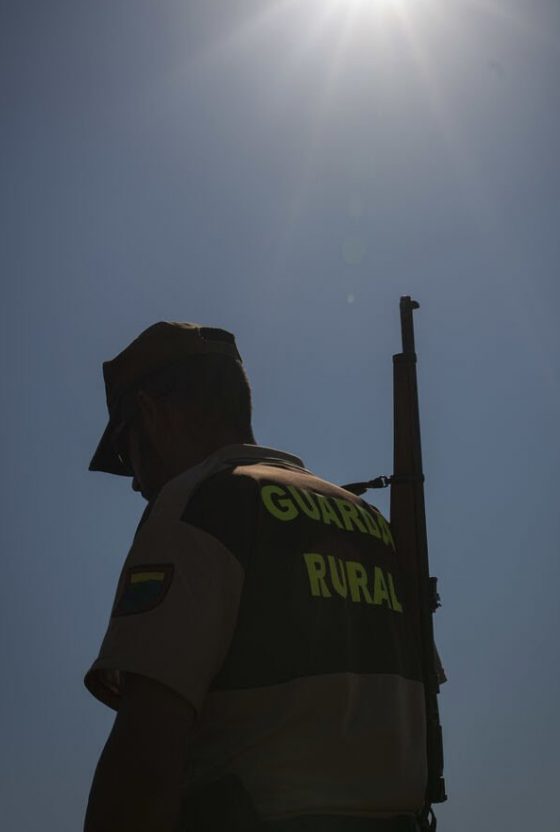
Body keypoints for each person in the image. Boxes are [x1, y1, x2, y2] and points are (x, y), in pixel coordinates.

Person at [83, 322, 427, 832]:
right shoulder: (370, 523)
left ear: (151, 417)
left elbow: (145, 754)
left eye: (126, 450)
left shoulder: (200, 503)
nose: (134, 479)